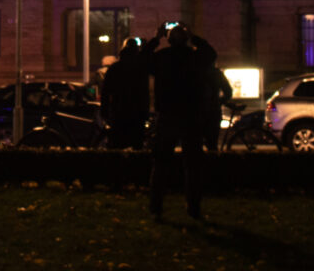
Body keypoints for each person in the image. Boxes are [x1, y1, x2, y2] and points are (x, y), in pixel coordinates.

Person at [147, 22, 216, 220]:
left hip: (168, 114)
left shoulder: (161, 58)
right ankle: (193, 208)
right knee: (193, 165)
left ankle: (156, 208)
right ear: (185, 40)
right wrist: (193, 35)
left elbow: (143, 60)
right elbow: (211, 54)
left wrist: (155, 38)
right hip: (190, 115)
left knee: (160, 164)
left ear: (167, 40)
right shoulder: (194, 58)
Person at [100, 37, 152, 149]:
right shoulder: (140, 69)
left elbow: (105, 91)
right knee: (137, 145)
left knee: (117, 145)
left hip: (118, 111)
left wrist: (104, 110)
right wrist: (146, 112)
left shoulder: (114, 68)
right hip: (137, 112)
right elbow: (145, 92)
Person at [201, 62, 234, 152]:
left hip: (197, 112)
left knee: (194, 144)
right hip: (213, 111)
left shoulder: (194, 72)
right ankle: (213, 163)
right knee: (212, 143)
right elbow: (228, 92)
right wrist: (219, 101)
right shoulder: (216, 73)